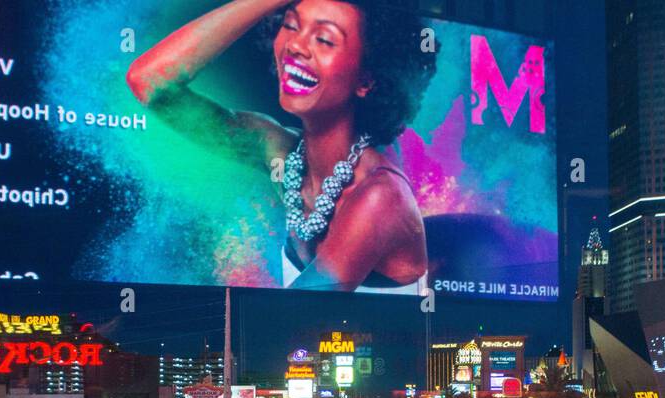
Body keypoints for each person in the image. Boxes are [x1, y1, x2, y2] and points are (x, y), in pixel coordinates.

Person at [126, 0, 436, 294]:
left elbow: (295, 315)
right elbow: (150, 83)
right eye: (290, 26)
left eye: (325, 40)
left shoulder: (380, 196)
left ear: (367, 81)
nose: (295, 46)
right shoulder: (281, 154)